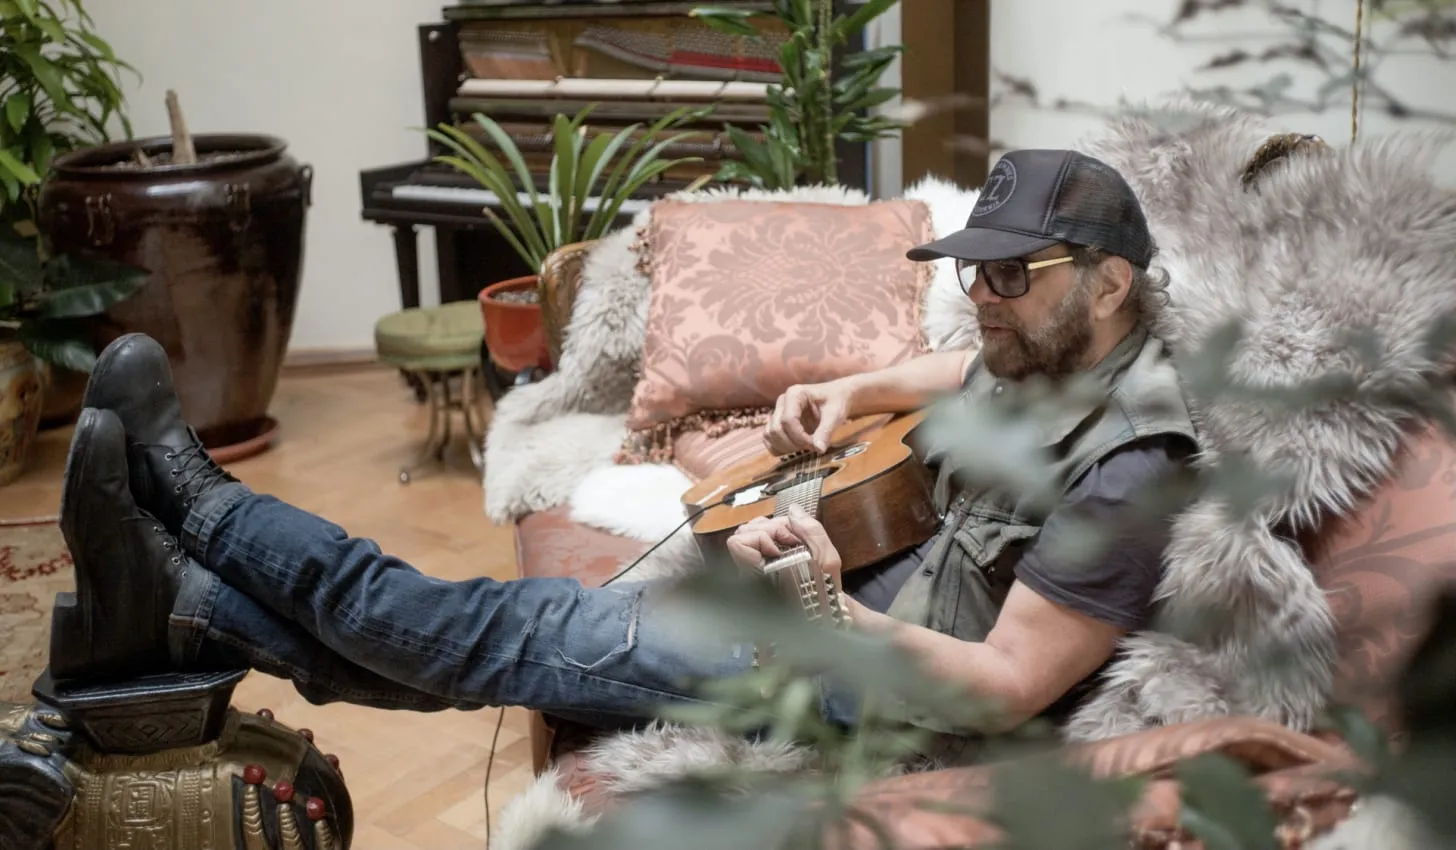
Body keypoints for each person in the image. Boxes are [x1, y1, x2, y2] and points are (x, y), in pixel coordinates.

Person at [50, 148, 1197, 752]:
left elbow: (1003, 690)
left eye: (1008, 274)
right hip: (842, 597)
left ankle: (200, 508)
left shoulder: (1132, 470)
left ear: (1107, 281)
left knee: (492, 630)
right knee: (483, 656)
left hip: (868, 683)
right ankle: (182, 604)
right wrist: (846, 388)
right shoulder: (1043, 346)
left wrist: (827, 618)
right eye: (968, 269)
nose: (978, 301)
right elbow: (957, 372)